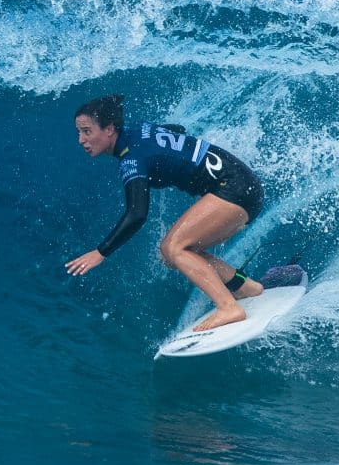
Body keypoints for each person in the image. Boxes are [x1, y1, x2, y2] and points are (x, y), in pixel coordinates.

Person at [65, 95, 266, 331]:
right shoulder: (137, 131)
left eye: (87, 131)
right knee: (175, 255)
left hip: (234, 188)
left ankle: (228, 307)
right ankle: (246, 288)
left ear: (109, 129)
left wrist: (101, 252)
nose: (81, 140)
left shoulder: (132, 158)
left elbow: (137, 213)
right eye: (79, 132)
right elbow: (175, 130)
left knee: (173, 248)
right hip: (243, 184)